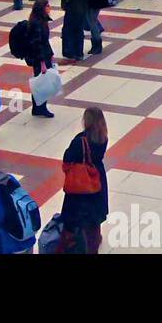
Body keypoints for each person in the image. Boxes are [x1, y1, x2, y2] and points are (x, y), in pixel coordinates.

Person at [59, 108, 109, 254]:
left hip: (81, 182)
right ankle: (94, 242)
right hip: (97, 177)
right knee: (94, 216)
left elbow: (67, 159)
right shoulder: (103, 137)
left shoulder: (80, 140)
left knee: (74, 215)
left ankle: (69, 244)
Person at [25, 0, 55, 118]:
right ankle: (40, 108)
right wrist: (42, 62)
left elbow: (45, 41)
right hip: (39, 58)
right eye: (47, 6)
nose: (50, 8)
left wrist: (51, 53)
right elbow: (37, 44)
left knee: (41, 82)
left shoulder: (41, 20)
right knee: (41, 83)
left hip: (44, 55)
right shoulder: (36, 23)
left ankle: (38, 107)